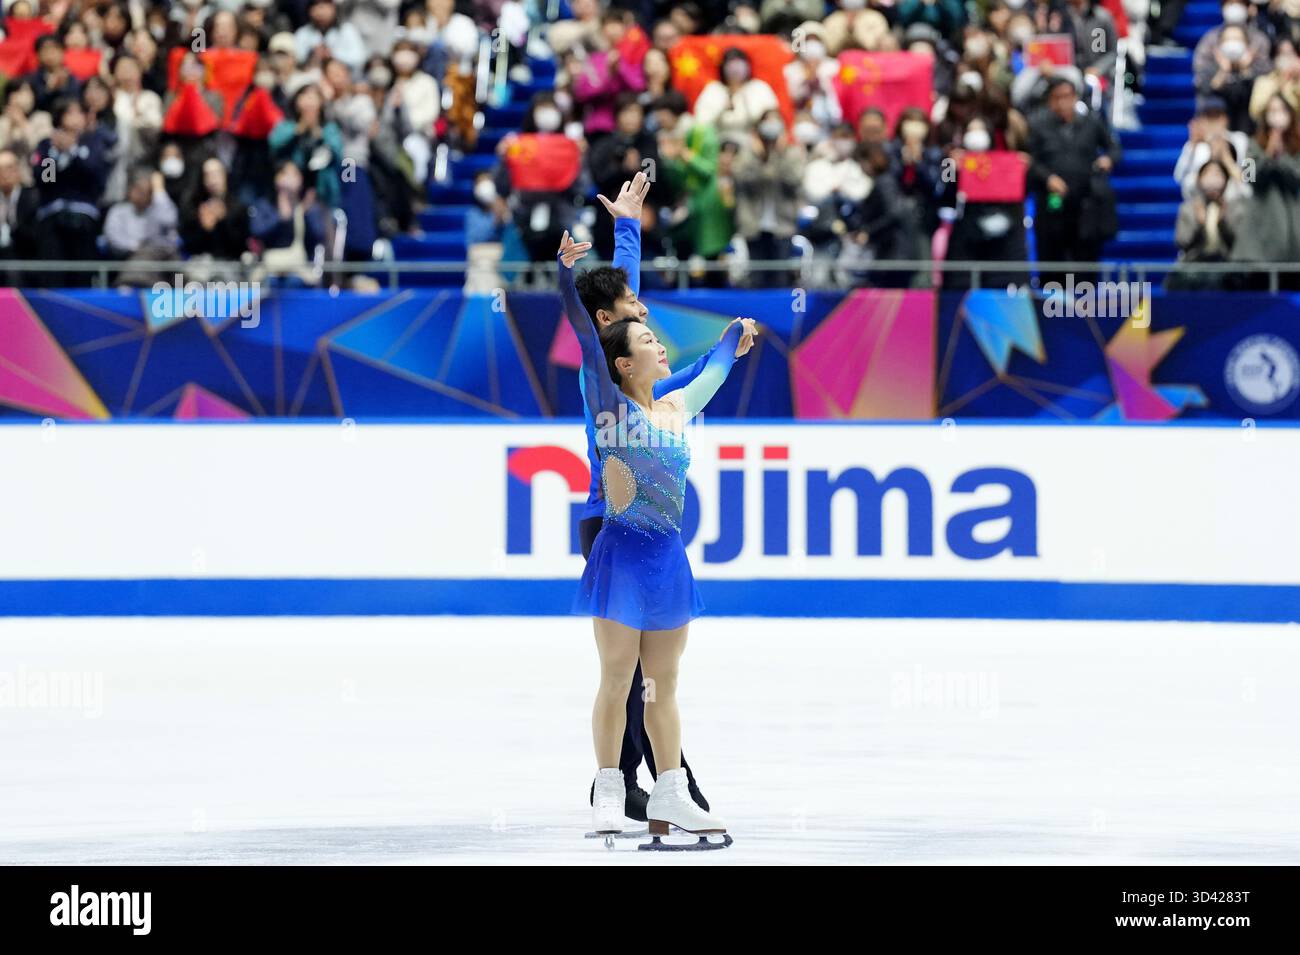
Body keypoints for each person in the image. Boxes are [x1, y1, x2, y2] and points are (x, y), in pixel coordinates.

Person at [557, 170, 756, 842]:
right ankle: (618, 787)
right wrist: (575, 271)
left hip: (660, 543)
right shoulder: (607, 380)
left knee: (654, 676)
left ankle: (664, 788)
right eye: (633, 316)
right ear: (608, 330)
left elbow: (698, 367)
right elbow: (599, 327)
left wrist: (629, 229)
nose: (645, 315)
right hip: (609, 530)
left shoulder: (660, 393)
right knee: (627, 672)